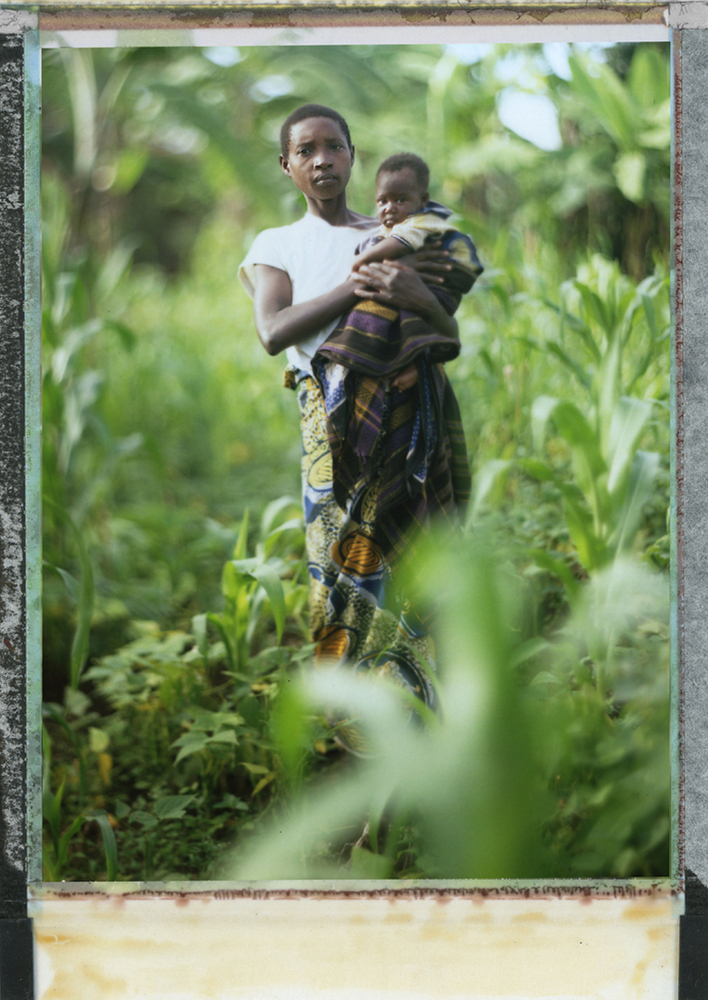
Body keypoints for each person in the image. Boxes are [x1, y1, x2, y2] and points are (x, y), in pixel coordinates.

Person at [239, 104, 475, 754]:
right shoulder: (277, 244)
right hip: (332, 428)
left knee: (419, 562)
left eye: (334, 146)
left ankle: (429, 722)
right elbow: (272, 332)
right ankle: (359, 734)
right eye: (306, 150)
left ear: (352, 155)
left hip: (409, 417)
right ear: (287, 164)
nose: (322, 159)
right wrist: (359, 284)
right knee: (340, 566)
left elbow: (447, 334)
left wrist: (417, 295)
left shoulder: (400, 230)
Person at [312, 153, 482, 534]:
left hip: (417, 337)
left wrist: (368, 265)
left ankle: (410, 362)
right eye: (382, 201)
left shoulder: (421, 226)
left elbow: (435, 308)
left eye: (400, 199)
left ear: (423, 200)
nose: (389, 207)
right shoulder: (375, 234)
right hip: (377, 374)